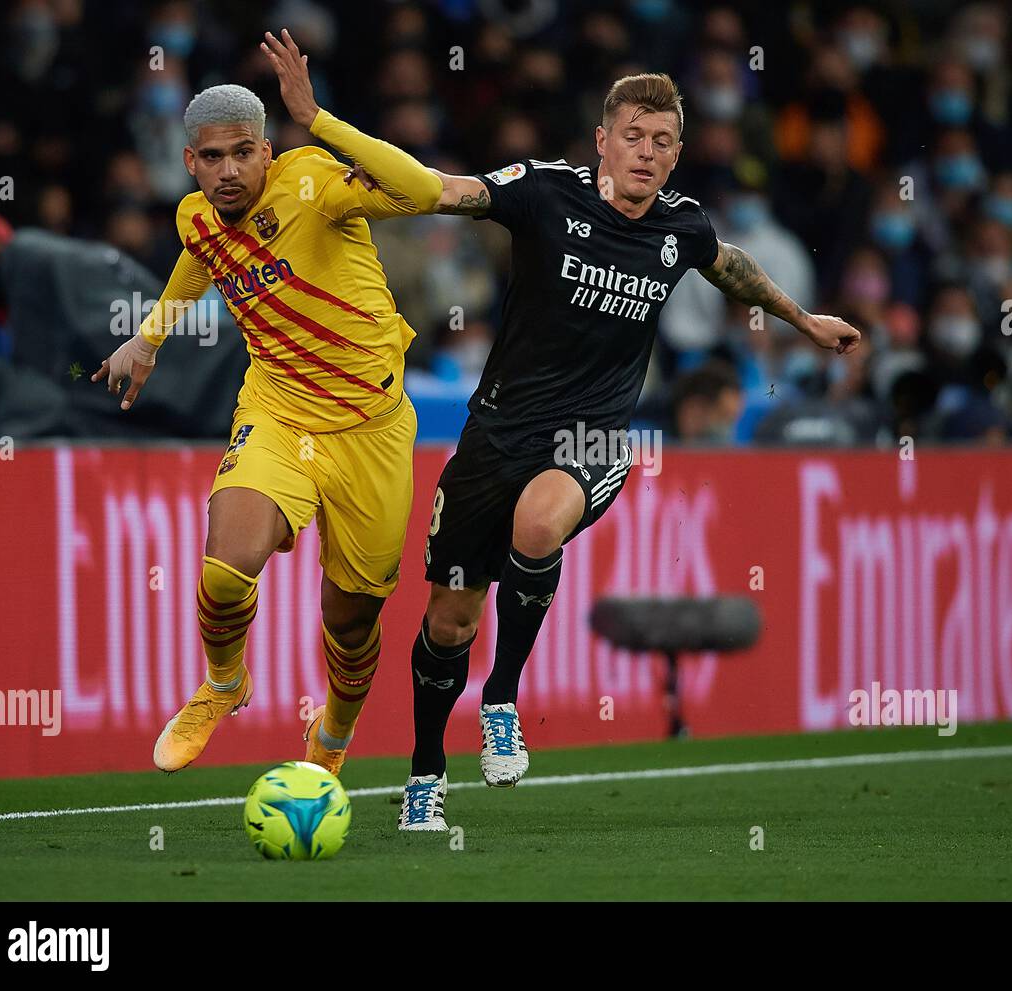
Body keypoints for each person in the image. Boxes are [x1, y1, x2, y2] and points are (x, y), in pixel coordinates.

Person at [352, 70, 861, 830]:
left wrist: (803, 319)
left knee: (537, 523)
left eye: (662, 142)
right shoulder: (544, 192)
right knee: (449, 620)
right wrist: (337, 145)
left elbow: (733, 268)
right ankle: (427, 770)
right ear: (602, 141)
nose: (646, 153)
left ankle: (501, 699)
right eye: (633, 137)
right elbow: (443, 190)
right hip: (495, 433)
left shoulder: (680, 227)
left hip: (591, 436)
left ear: (678, 152)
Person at [91, 29, 442, 778]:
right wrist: (149, 339)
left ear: (266, 152)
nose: (226, 171)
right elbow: (197, 260)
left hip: (373, 429)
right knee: (227, 566)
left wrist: (318, 120)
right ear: (190, 162)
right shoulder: (194, 216)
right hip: (279, 412)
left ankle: (336, 733)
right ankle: (225, 684)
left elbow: (420, 190)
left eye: (242, 152)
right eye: (211, 157)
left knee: (350, 620)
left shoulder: (313, 180)